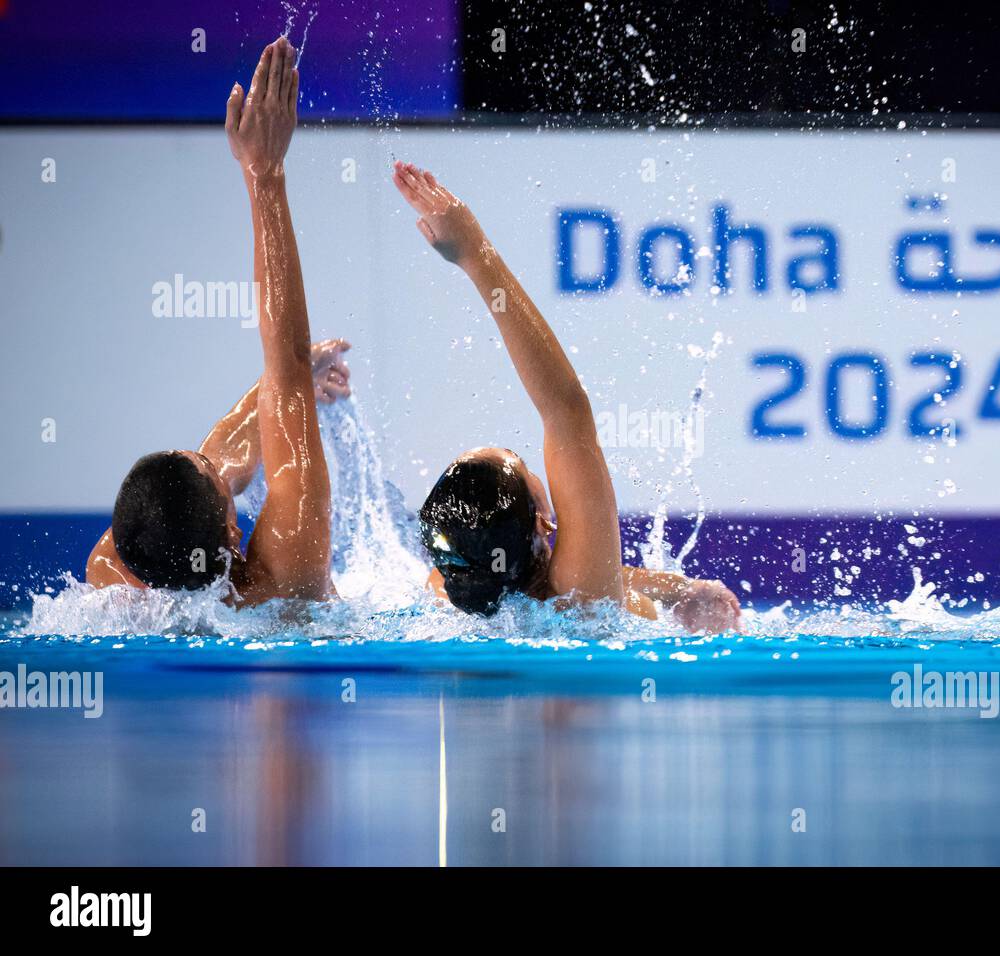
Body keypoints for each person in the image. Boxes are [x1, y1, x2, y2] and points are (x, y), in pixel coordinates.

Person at [391, 161, 742, 632]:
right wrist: (476, 252)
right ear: (544, 522)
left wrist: (679, 587)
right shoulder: (583, 596)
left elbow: (542, 570)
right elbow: (566, 410)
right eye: (526, 470)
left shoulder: (454, 583)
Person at [86, 36, 339, 607]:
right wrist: (264, 172)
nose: (219, 462)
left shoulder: (112, 568)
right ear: (232, 530)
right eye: (223, 490)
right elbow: (288, 364)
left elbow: (220, 461)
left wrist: (271, 396)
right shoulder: (291, 569)